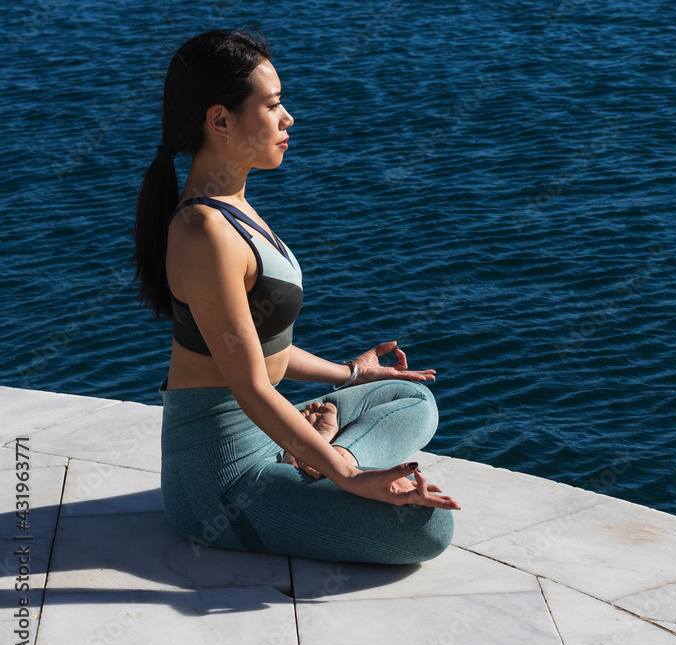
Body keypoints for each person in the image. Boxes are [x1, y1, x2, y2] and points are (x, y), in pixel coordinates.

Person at [133, 28, 458, 565]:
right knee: (429, 530)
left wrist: (351, 375)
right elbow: (251, 384)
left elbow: (262, 348)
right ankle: (318, 457)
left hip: (264, 438)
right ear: (220, 120)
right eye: (273, 105)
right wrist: (349, 474)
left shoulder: (233, 207)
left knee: (410, 399)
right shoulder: (204, 232)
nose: (289, 119)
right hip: (221, 480)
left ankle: (307, 454)